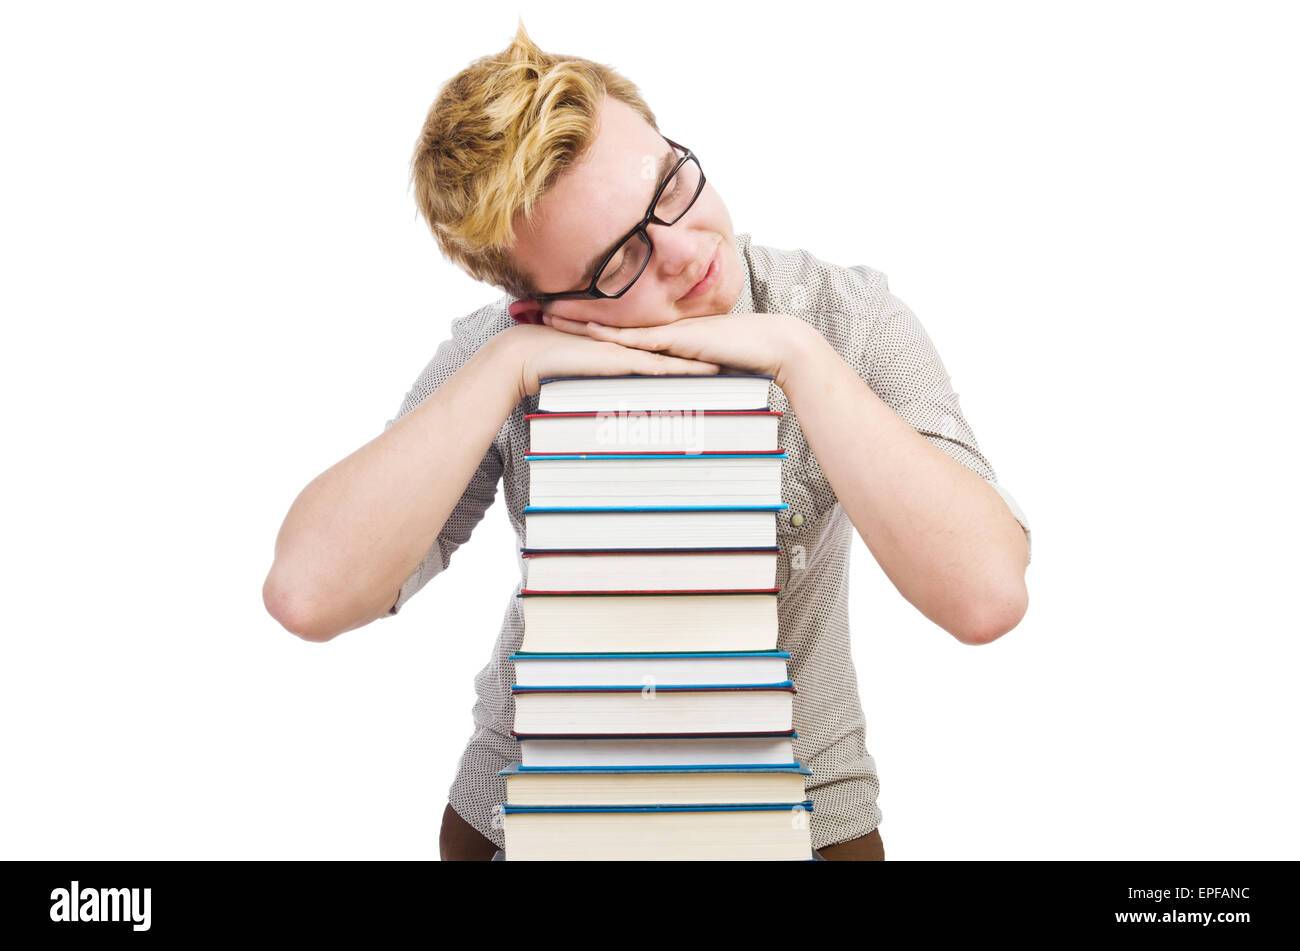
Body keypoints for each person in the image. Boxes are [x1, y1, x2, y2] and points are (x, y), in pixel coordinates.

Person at [262, 22, 1032, 861]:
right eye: (620, 258)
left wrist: (800, 358)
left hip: (805, 820)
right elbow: (307, 594)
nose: (687, 250)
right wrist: (508, 364)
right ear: (543, 306)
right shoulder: (505, 354)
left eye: (669, 184)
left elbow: (986, 595)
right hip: (524, 816)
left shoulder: (840, 318)